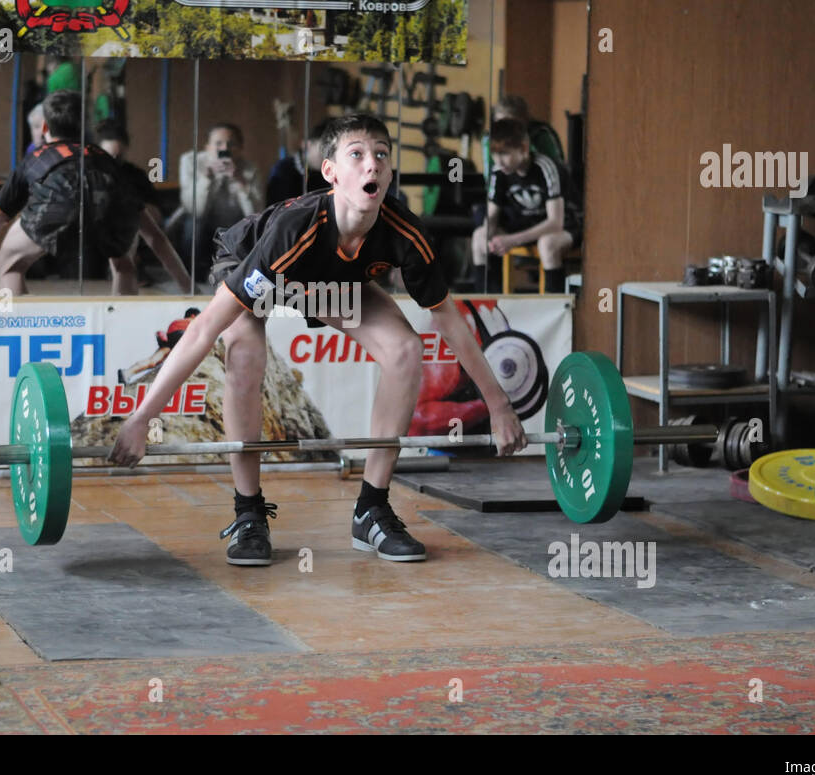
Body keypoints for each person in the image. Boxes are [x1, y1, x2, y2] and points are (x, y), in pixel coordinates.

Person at [109, 113, 526, 566]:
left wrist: (499, 406)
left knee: (405, 348)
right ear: (331, 172)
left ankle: (372, 509)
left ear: (389, 172)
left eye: (381, 156)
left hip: (331, 286)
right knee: (245, 352)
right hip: (255, 264)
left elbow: (450, 322)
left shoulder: (406, 234)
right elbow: (204, 329)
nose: (372, 165)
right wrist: (141, 418)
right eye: (358, 155)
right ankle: (248, 513)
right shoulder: (295, 228)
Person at [0, 91, 132, 297]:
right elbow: (154, 235)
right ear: (84, 126)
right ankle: (125, 321)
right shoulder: (105, 159)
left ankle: (11, 318)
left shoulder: (34, 159)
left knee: (10, 263)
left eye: (38, 127)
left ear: (45, 127)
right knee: (124, 263)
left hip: (56, 217)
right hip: (105, 217)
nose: (36, 132)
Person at [471, 117, 582, 294]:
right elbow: (492, 216)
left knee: (547, 244)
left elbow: (555, 223)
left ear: (523, 148)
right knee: (479, 237)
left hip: (566, 225)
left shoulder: (546, 168)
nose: (499, 161)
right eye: (495, 154)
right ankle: (485, 305)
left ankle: (554, 309)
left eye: (505, 153)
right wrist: (489, 234)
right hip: (529, 224)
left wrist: (512, 240)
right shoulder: (498, 172)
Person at [88, 121, 192, 294]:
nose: (114, 164)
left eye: (118, 157)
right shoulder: (90, 175)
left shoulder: (134, 177)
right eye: (108, 157)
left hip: (131, 232)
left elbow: (155, 219)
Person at [172, 124, 262, 282]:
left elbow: (255, 213)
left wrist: (240, 182)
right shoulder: (190, 162)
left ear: (240, 149)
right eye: (218, 143)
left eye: (231, 144)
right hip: (200, 226)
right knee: (193, 223)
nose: (224, 149)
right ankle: (191, 276)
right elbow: (194, 209)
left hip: (232, 227)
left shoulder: (250, 169)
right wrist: (206, 179)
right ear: (207, 147)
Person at [118, 308, 201, 385]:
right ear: (193, 316)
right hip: (183, 336)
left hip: (169, 339)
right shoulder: (193, 322)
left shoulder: (175, 322)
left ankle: (127, 373)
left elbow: (172, 334)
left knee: (153, 361)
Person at [265, 121, 329, 206]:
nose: (328, 156)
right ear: (307, 145)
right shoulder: (283, 169)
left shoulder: (324, 174)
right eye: (324, 149)